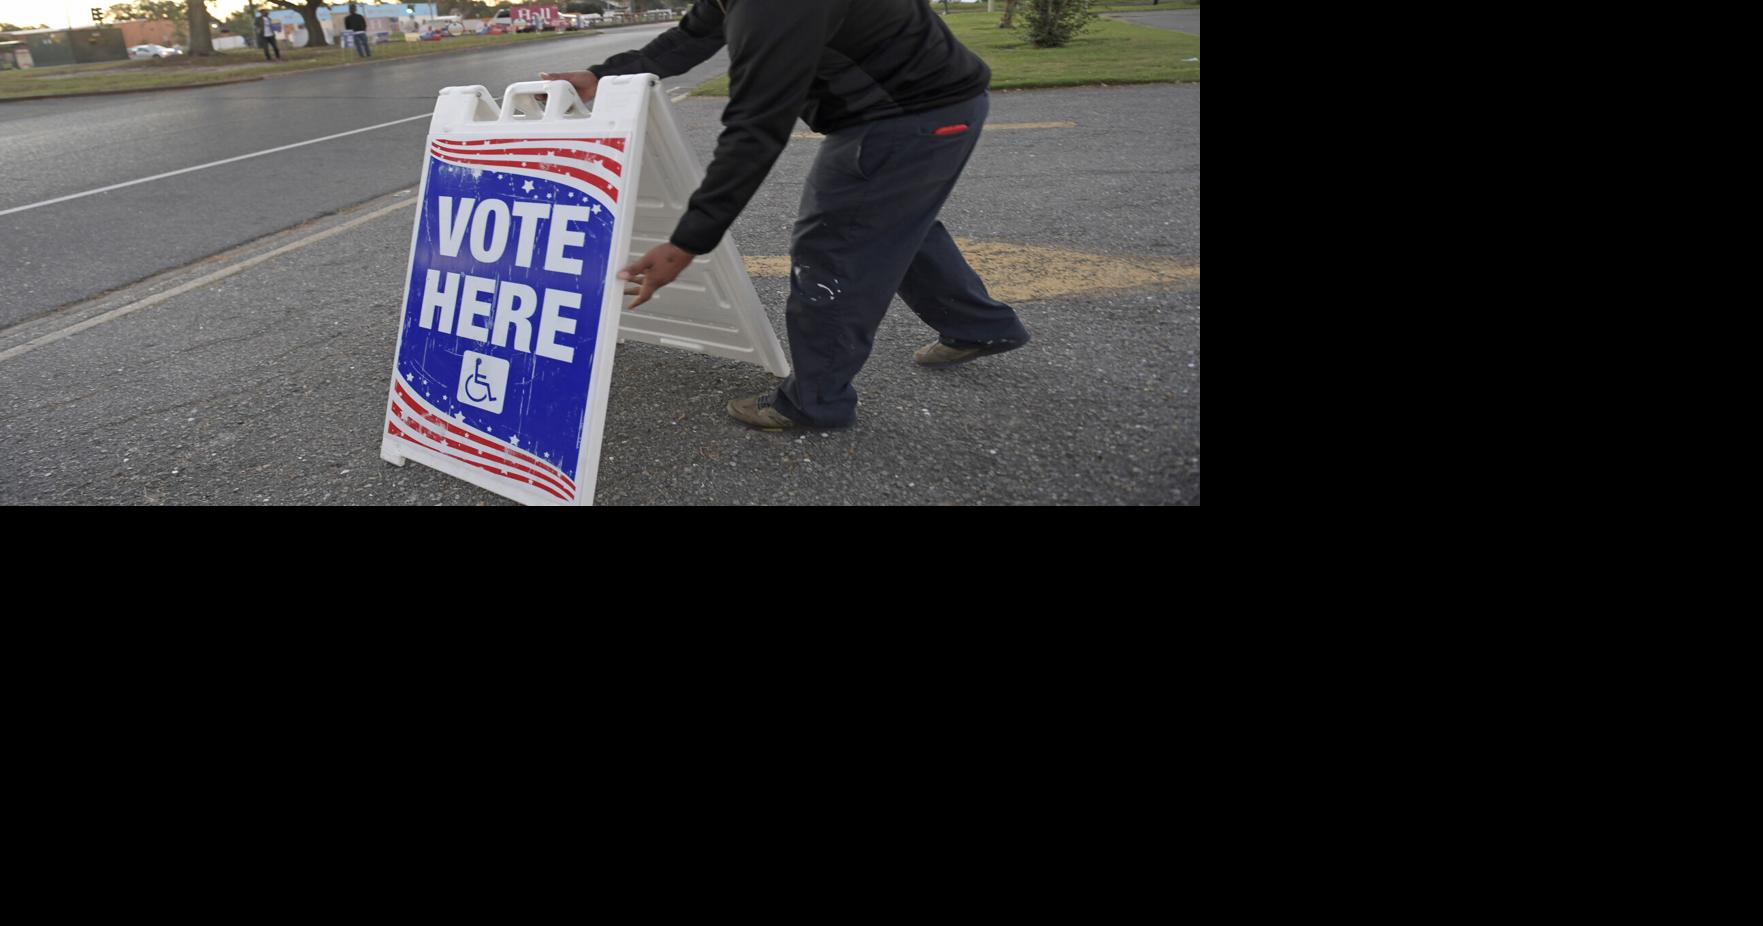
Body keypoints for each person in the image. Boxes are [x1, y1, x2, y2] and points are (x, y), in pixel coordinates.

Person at [540, 0, 1031, 431]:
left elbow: (755, 128)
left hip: (905, 116)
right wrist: (601, 75)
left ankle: (816, 402)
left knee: (834, 244)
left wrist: (688, 242)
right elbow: (692, 35)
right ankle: (978, 325)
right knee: (890, 222)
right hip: (926, 104)